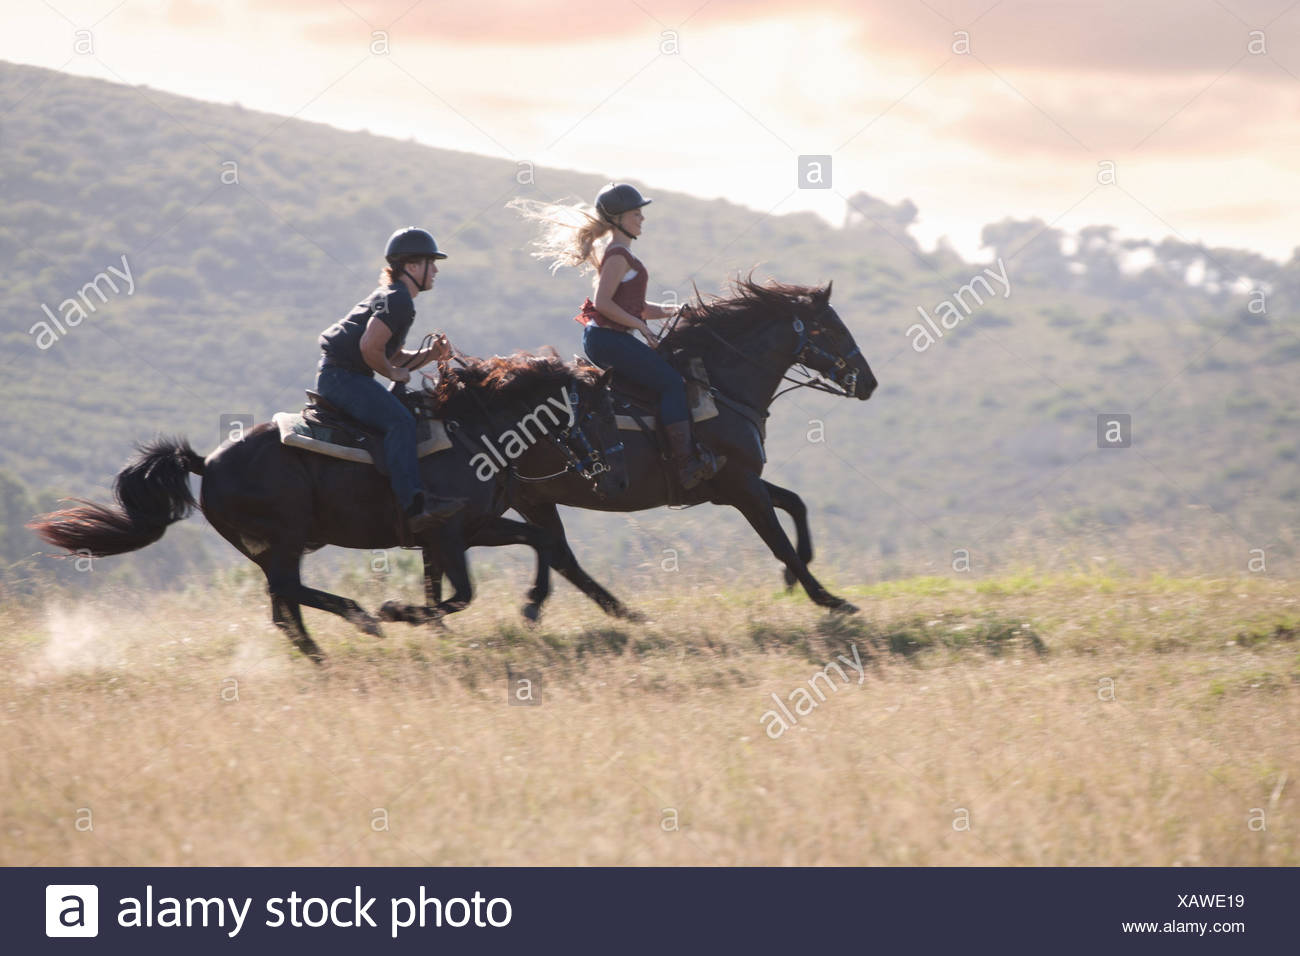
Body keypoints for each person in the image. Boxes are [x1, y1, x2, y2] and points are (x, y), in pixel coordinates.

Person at [509, 183, 725, 489]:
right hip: (607, 340)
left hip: (611, 337)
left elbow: (635, 307)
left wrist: (675, 311)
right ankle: (686, 464)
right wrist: (638, 326)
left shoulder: (622, 255)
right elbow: (602, 304)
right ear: (619, 218)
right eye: (636, 213)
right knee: (673, 385)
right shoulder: (618, 256)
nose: (642, 218)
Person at [315, 226, 465, 533]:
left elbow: (391, 355)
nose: (435, 270)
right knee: (400, 422)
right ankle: (414, 505)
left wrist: (432, 355)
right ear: (411, 266)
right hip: (343, 378)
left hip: (341, 376)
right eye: (429, 263)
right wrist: (391, 374)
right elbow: (369, 347)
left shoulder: (393, 297)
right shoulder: (399, 300)